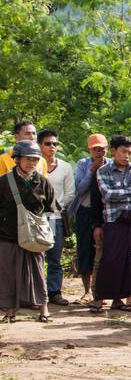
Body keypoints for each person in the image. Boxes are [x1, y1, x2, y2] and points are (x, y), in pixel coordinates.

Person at [0, 139, 55, 323]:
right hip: (7, 235)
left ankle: (44, 309)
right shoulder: (3, 182)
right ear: (17, 159)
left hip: (35, 237)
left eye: (35, 159)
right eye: (27, 159)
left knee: (38, 272)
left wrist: (48, 234)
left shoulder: (43, 182)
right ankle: (10, 311)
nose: (32, 162)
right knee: (8, 274)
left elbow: (51, 209)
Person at [95, 135, 131, 313]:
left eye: (130, 152)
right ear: (113, 151)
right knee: (110, 259)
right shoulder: (103, 170)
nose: (127, 155)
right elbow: (107, 194)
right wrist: (130, 190)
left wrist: (124, 193)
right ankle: (99, 297)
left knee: (127, 259)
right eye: (123, 151)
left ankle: (120, 299)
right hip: (113, 219)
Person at [37, 129, 75, 306]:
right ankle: (36, 292)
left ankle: (54, 292)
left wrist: (54, 206)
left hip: (57, 217)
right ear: (40, 145)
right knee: (35, 256)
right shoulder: (33, 164)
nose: (52, 147)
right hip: (35, 218)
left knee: (54, 257)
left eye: (55, 143)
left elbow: (70, 194)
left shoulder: (65, 167)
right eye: (47, 143)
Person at [72, 134, 108, 304]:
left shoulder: (113, 165)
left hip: (107, 214)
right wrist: (92, 170)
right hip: (85, 212)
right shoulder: (82, 164)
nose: (99, 152)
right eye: (96, 149)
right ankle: (87, 291)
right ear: (90, 150)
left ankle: (102, 290)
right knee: (85, 250)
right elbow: (79, 189)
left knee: (106, 252)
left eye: (102, 148)